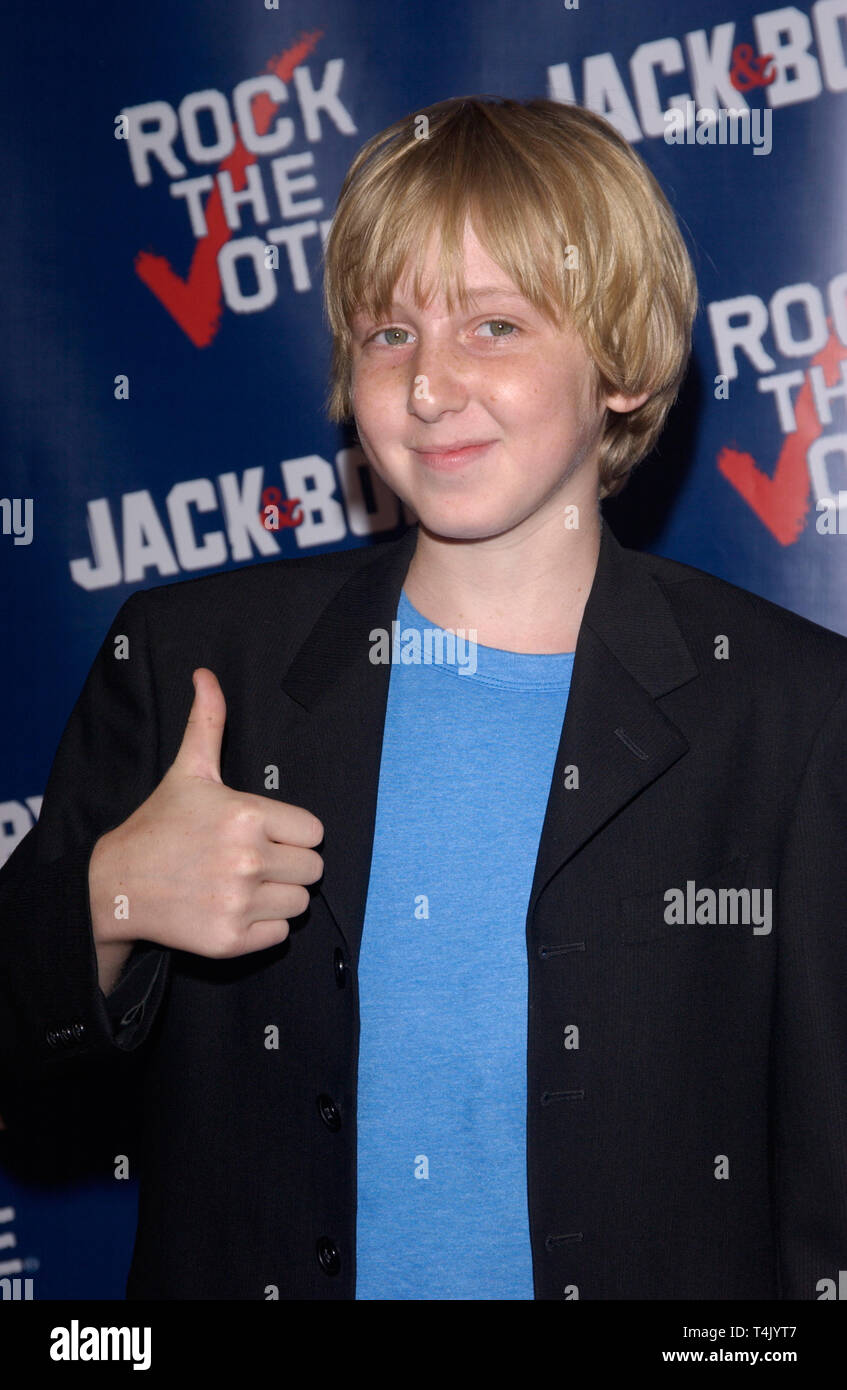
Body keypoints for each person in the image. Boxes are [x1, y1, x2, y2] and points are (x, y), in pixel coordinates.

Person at [1, 95, 846, 1300]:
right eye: (389, 334)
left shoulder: (790, 713)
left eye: (494, 325)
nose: (432, 387)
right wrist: (109, 900)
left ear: (619, 362)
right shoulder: (199, 664)